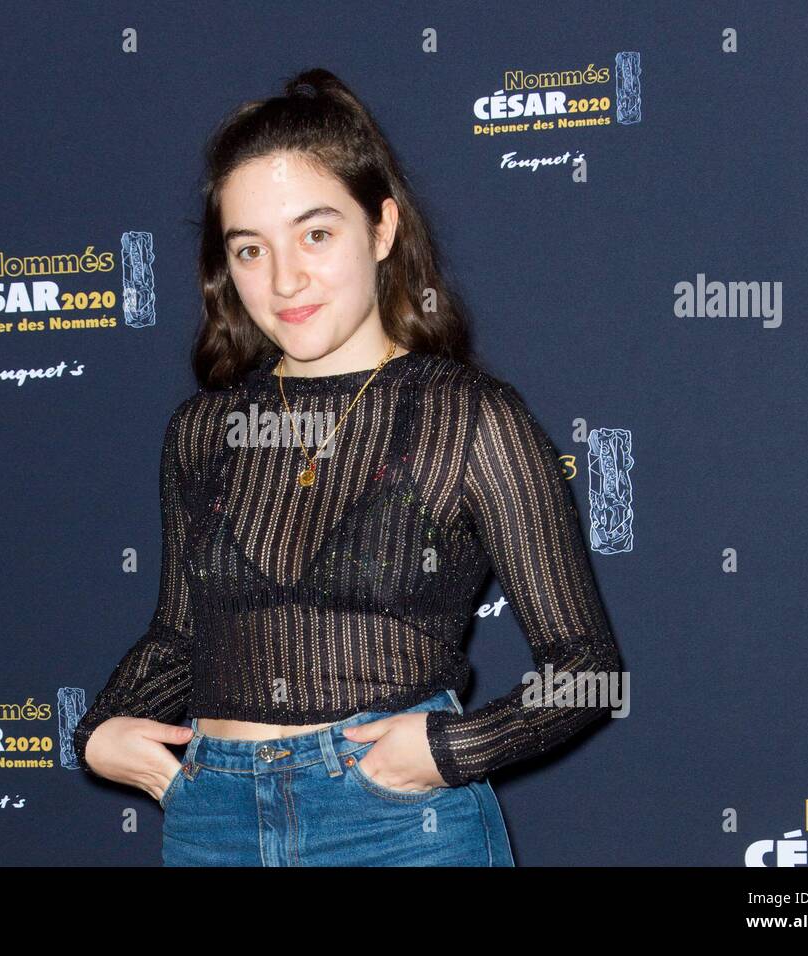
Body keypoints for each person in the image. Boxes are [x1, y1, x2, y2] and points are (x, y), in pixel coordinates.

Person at [71, 67, 622, 866]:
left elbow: (587, 667)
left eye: (316, 233)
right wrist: (100, 731)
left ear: (383, 228)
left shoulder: (466, 416)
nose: (285, 279)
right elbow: (180, 634)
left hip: (399, 825)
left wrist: (449, 752)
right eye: (250, 249)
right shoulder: (201, 429)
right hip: (213, 821)